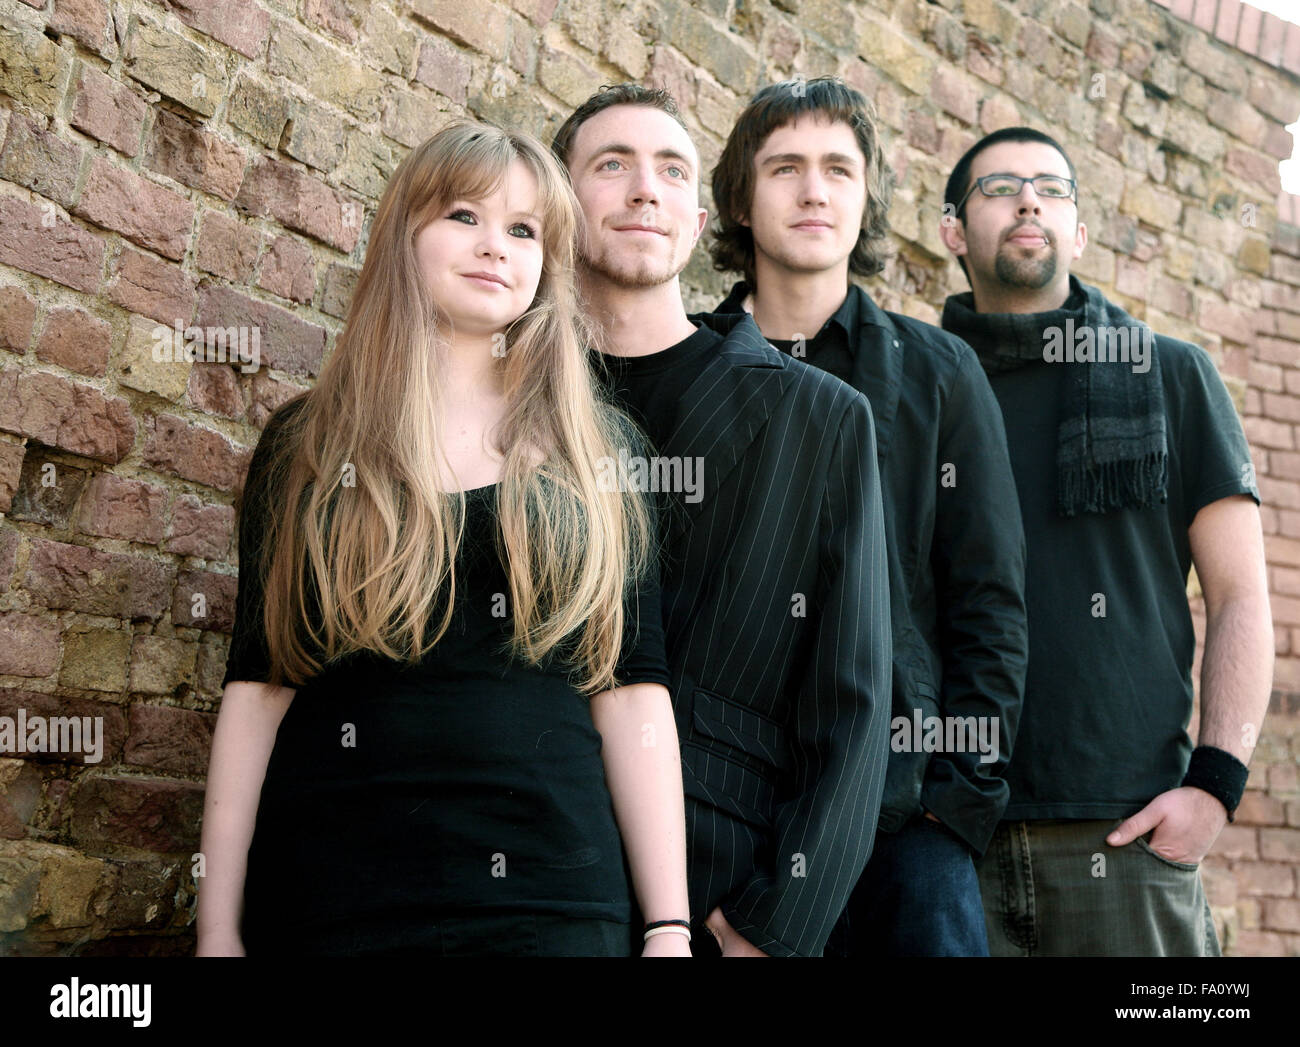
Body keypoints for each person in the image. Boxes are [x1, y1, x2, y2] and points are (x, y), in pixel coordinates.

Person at [196, 121, 691, 957]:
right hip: (331, 896)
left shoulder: (602, 453)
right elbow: (259, 688)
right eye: (465, 216)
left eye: (524, 230)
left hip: (552, 901)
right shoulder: (307, 444)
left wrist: (669, 926)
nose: (495, 245)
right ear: (405, 235)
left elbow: (632, 694)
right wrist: (215, 930)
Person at [552, 85, 892, 957]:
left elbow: (853, 702)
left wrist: (776, 926)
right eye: (612, 165)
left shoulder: (821, 417)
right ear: (557, 204)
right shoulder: (506, 397)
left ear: (698, 221)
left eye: (671, 170)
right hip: (521, 859)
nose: (645, 189)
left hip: (717, 887)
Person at [708, 77, 1028, 957]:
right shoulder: (693, 361)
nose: (814, 190)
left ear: (865, 198)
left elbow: (989, 602)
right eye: (785, 168)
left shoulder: (940, 372)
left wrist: (954, 804)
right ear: (739, 200)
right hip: (729, 813)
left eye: (838, 170)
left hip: (904, 818)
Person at [937, 126, 1274, 956]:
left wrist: (1215, 786)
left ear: (1079, 232)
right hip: (947, 832)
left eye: (1052, 189)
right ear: (953, 232)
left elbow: (1240, 596)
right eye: (1000, 187)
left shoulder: (1172, 375)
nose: (1028, 201)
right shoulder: (919, 384)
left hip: (1127, 833)